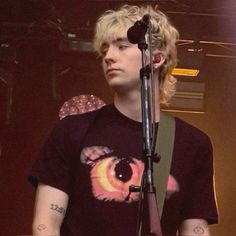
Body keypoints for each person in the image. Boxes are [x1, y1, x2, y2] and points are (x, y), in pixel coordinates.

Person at [28, 4, 218, 236]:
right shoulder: (71, 130)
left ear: (156, 58)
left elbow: (195, 229)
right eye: (105, 49)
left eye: (122, 46)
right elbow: (45, 225)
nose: (108, 56)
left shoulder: (192, 143)